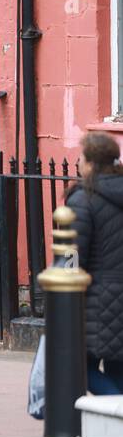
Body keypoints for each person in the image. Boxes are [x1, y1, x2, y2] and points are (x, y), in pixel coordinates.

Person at [65, 131, 123, 396]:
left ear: (89, 162)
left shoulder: (83, 200)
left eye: (80, 157)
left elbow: (74, 258)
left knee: (77, 371)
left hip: (98, 301)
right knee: (117, 371)